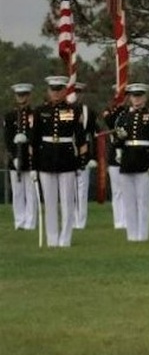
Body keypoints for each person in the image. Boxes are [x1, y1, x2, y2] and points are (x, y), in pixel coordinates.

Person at [31, 76, 84, 247]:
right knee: (50, 202)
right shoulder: (40, 111)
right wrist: (32, 164)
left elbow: (81, 139)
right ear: (48, 91)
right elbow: (34, 140)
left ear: (64, 91)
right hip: (46, 158)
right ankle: (52, 239)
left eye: (59, 89)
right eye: (53, 89)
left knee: (67, 202)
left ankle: (65, 239)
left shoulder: (74, 110)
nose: (56, 93)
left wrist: (81, 161)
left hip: (66, 158)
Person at [112, 83, 149, 242]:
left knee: (143, 200)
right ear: (130, 98)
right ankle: (132, 235)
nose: (137, 99)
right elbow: (117, 142)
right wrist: (119, 138)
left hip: (144, 160)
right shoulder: (124, 117)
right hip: (128, 160)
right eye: (134, 96)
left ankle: (143, 235)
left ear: (145, 98)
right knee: (129, 201)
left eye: (140, 96)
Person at [3, 83, 37, 230]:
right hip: (15, 159)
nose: (22, 98)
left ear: (28, 96)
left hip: (30, 158)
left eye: (24, 95)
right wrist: (14, 156)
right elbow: (7, 137)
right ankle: (19, 221)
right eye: (19, 95)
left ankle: (30, 222)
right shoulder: (10, 116)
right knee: (17, 192)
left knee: (30, 192)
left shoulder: (35, 114)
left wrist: (27, 138)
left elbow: (36, 135)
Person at [68, 82, 98, 229]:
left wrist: (93, 157)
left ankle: (81, 221)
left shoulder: (89, 112)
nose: (77, 95)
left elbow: (93, 135)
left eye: (79, 92)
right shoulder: (65, 110)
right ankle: (72, 219)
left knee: (82, 189)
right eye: (74, 92)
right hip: (68, 151)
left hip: (84, 152)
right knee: (70, 189)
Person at [100, 86, 128, 229]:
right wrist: (118, 108)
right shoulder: (110, 112)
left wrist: (123, 108)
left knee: (127, 189)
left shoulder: (130, 112)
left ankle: (128, 218)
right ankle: (119, 220)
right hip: (114, 154)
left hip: (128, 152)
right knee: (117, 190)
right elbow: (111, 123)